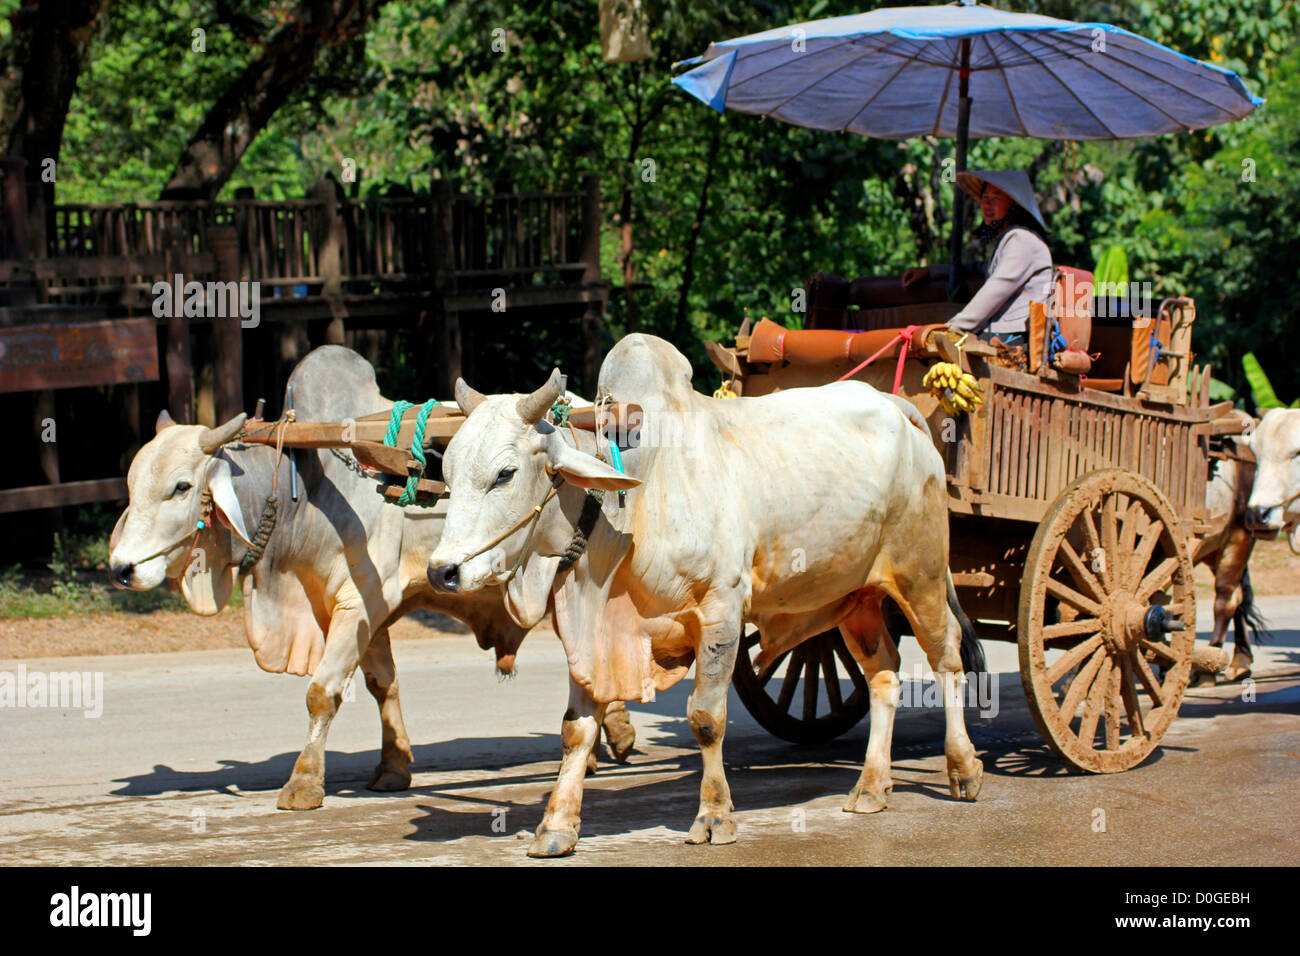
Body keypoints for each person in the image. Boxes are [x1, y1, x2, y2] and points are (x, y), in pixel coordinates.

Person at [901, 169, 1052, 347]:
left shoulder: (1022, 239)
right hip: (998, 333)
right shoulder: (1007, 240)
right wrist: (931, 271)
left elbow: (996, 289)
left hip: (1016, 339)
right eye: (984, 198)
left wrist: (951, 328)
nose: (987, 205)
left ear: (1015, 206)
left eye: (996, 198)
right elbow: (979, 268)